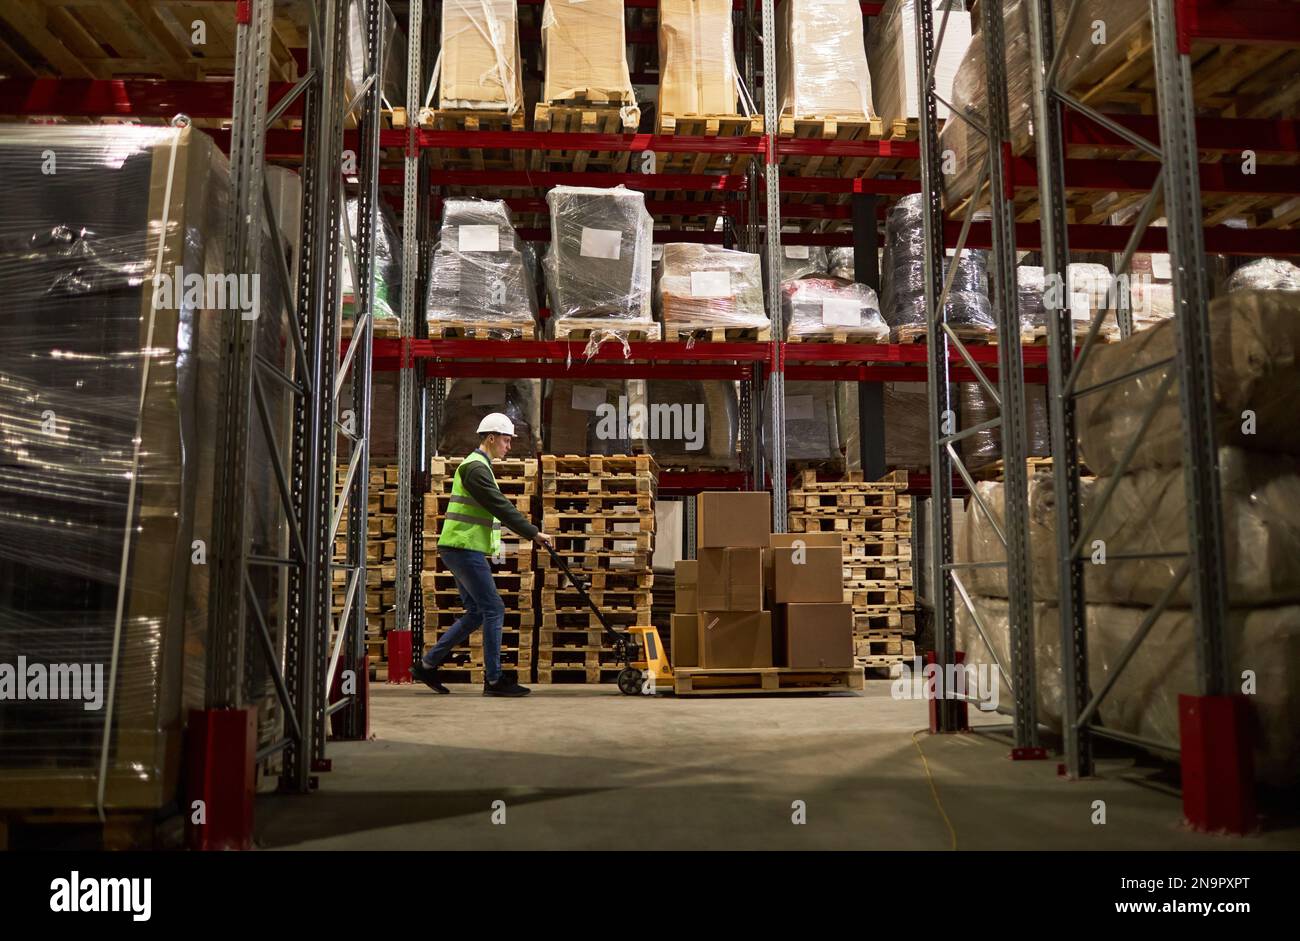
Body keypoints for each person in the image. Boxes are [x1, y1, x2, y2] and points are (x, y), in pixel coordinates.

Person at [412, 413, 552, 697]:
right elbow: (498, 504)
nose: (508, 446)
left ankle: (427, 665)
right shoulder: (475, 468)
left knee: (477, 612)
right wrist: (532, 532)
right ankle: (494, 679)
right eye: (505, 439)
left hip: (462, 547)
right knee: (494, 608)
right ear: (490, 438)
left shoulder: (479, 466)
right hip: (462, 548)